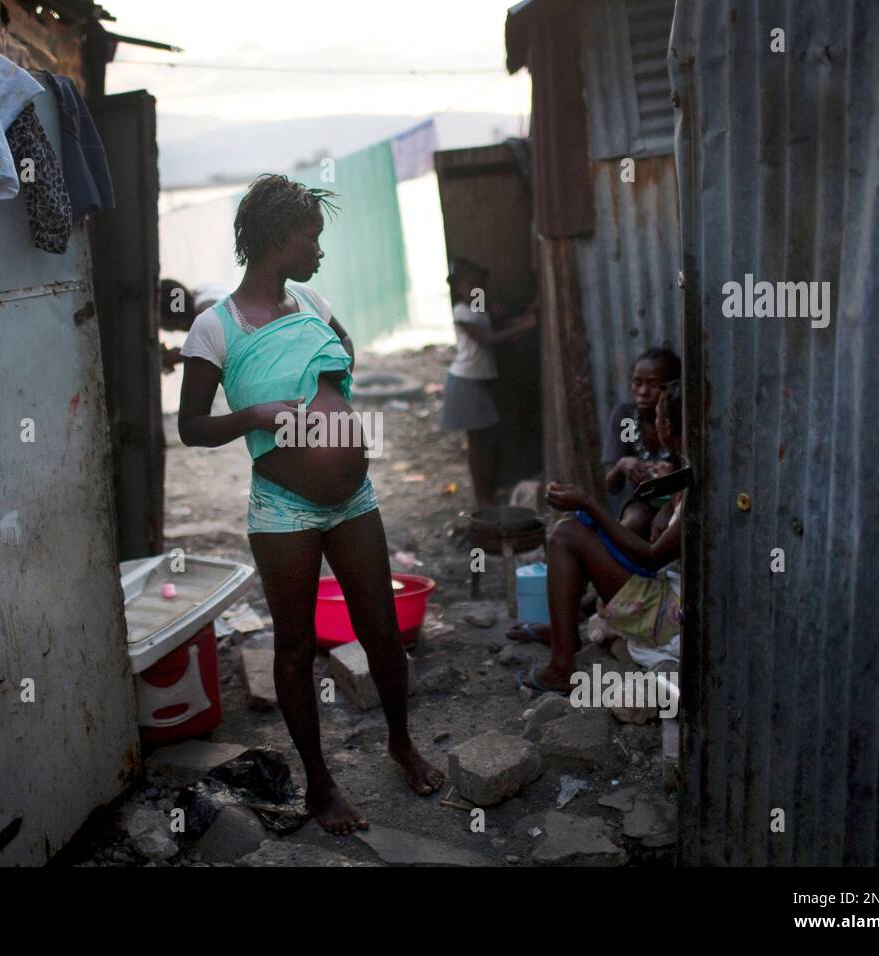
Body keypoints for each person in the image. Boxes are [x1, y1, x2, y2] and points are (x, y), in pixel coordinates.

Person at [176, 174, 443, 835]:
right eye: (311, 237)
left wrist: (335, 415)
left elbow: (342, 352)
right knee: (294, 648)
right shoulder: (214, 330)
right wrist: (258, 413)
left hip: (354, 498)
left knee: (381, 628)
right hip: (283, 507)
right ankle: (321, 785)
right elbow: (189, 427)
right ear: (276, 239)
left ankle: (401, 743)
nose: (319, 250)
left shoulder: (313, 302)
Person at [513, 380, 686, 692]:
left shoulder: (696, 487)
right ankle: (563, 633)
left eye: (658, 418)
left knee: (566, 534)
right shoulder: (691, 470)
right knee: (576, 530)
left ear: (667, 426)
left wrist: (589, 505)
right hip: (673, 600)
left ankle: (562, 666)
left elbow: (652, 556)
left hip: (671, 620)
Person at [439, 258, 536, 509]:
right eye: (470, 284)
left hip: (476, 381)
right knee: (479, 442)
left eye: (479, 284)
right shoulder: (461, 311)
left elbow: (499, 321)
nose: (475, 288)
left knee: (484, 440)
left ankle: (486, 495)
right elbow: (488, 339)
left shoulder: (477, 307)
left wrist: (523, 318)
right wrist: (523, 326)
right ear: (458, 287)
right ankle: (483, 497)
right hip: (466, 381)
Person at [601, 347, 682, 538]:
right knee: (633, 524)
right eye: (637, 383)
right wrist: (622, 465)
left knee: (669, 529)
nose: (643, 392)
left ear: (672, 387)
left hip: (681, 499)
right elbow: (611, 486)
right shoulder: (628, 419)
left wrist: (671, 500)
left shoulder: (681, 419)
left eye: (653, 384)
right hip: (642, 501)